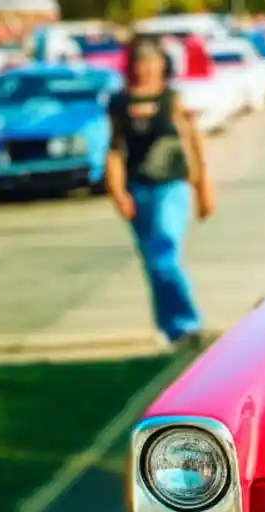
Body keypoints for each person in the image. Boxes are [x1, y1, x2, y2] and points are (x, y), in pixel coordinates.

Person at [106, 36, 214, 349]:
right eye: (139, 61)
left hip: (172, 185)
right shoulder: (119, 103)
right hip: (137, 189)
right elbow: (114, 149)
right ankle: (169, 329)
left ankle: (188, 323)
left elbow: (193, 142)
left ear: (161, 64)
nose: (145, 67)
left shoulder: (173, 99)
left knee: (165, 251)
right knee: (153, 262)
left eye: (151, 60)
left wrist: (203, 188)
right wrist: (117, 192)